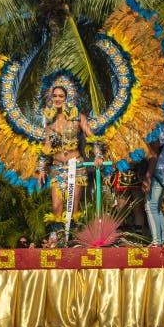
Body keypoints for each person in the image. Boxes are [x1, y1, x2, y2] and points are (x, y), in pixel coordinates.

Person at [35, 85, 103, 225]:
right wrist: (41, 168)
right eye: (55, 96)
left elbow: (92, 138)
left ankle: (73, 242)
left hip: (76, 167)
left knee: (73, 208)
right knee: (56, 208)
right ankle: (59, 241)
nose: (57, 99)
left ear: (67, 98)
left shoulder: (78, 117)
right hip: (57, 167)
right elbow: (47, 146)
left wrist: (98, 155)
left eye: (61, 96)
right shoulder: (50, 121)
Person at [143, 119, 164, 246]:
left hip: (158, 170)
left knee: (150, 207)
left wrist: (148, 176)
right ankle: (161, 241)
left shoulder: (156, 126)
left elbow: (154, 153)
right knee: (157, 207)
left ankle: (156, 242)